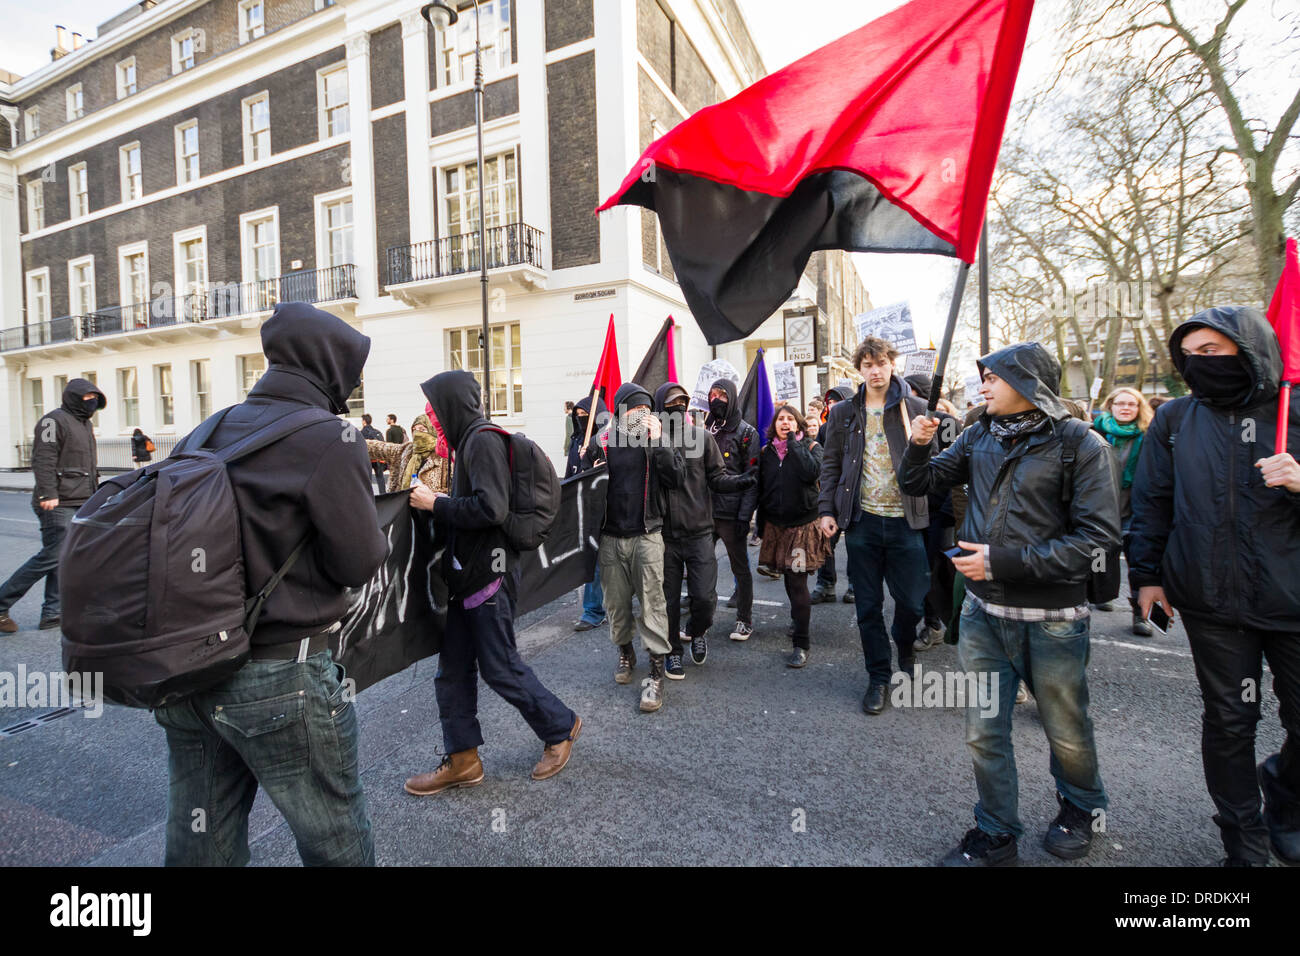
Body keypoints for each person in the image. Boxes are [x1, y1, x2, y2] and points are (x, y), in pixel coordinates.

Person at [152, 302, 388, 866]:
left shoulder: (205, 430)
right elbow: (359, 560)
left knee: (200, 840)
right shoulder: (330, 437)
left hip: (188, 669)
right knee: (334, 834)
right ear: (330, 367)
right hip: (279, 673)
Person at [900, 342, 1120, 867]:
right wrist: (917, 445)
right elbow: (919, 484)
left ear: (1025, 383)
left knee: (1066, 728)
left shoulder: (1081, 445)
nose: (983, 387)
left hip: (1053, 620)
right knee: (983, 731)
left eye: (992, 378)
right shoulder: (977, 435)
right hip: (982, 613)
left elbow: (1098, 542)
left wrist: (1002, 562)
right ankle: (996, 832)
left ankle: (1080, 808)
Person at [1129, 306, 1300, 867]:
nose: (1198, 364)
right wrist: (1146, 577)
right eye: (1190, 356)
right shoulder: (1176, 419)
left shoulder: (1292, 409)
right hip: (1209, 601)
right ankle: (1243, 836)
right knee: (1230, 721)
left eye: (1212, 352)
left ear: (1248, 351)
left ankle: (1286, 798)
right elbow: (1150, 504)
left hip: (1292, 599)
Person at [406, 370, 581, 794]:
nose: (431, 416)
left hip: (489, 578)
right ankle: (463, 759)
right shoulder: (470, 441)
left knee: (500, 668)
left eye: (434, 407)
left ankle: (560, 727)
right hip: (472, 577)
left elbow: (492, 509)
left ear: (452, 405)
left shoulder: (481, 440)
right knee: (452, 672)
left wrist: (436, 503)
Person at [818, 338, 936, 716]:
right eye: (867, 364)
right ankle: (879, 677)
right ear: (860, 369)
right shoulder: (843, 414)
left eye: (881, 362)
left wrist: (923, 441)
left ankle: (904, 645)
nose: (875, 370)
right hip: (863, 522)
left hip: (906, 522)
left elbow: (935, 468)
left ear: (891, 364)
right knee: (867, 606)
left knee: (913, 601)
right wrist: (826, 510)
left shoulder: (916, 409)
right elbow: (831, 465)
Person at [582, 382, 682, 712]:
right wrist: (588, 463)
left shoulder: (657, 439)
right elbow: (583, 480)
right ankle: (625, 652)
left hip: (647, 534)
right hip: (611, 537)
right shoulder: (604, 441)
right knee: (617, 605)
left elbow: (676, 477)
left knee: (653, 603)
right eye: (633, 410)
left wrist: (659, 442)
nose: (639, 416)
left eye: (645, 410)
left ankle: (655, 674)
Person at [655, 382, 755, 678]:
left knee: (704, 598)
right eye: (671, 402)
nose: (678, 406)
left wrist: (740, 481)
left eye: (682, 401)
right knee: (669, 601)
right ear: (661, 406)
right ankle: (673, 650)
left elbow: (717, 477)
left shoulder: (702, 438)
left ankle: (698, 632)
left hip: (699, 533)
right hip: (664, 537)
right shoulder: (650, 441)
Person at [0, 378, 106, 634]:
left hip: (80, 499)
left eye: (95, 397)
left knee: (63, 556)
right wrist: (47, 493)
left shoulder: (84, 423)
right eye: (86, 397)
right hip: (56, 501)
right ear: (72, 397)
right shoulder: (52, 421)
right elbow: (43, 458)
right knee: (54, 554)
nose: (91, 401)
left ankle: (52, 613)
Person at [757, 405, 831, 668]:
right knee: (788, 581)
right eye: (780, 419)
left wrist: (794, 444)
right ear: (774, 424)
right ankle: (797, 618)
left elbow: (812, 473)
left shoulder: (811, 448)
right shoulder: (766, 452)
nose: (785, 422)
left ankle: (801, 643)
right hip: (777, 528)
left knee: (798, 584)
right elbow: (763, 488)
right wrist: (760, 525)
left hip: (801, 529)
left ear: (798, 424)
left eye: (790, 419)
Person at [1092, 387, 1154, 634]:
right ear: (1111, 406)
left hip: (1135, 508)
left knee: (1139, 562)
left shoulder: (1149, 434)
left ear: (1139, 409)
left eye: (1132, 404)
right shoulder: (1094, 432)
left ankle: (1141, 614)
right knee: (1099, 556)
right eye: (1120, 403)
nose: (1126, 408)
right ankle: (1100, 593)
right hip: (1100, 507)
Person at [904, 373, 959, 652]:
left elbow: (953, 462)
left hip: (939, 511)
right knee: (917, 569)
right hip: (912, 508)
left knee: (938, 568)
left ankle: (936, 622)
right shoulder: (905, 421)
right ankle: (930, 619)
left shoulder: (947, 422)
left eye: (911, 392)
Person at [705, 378, 760, 642]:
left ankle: (744, 619)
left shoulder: (747, 432)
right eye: (713, 394)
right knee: (702, 566)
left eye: (722, 395)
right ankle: (701, 618)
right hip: (704, 512)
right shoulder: (706, 429)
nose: (716, 399)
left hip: (732, 513)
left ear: (733, 397)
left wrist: (744, 516)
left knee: (740, 569)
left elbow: (753, 478)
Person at [811, 384, 858, 603]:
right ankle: (825, 584)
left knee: (855, 544)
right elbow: (824, 462)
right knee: (826, 543)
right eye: (829, 403)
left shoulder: (860, 425)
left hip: (854, 495)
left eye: (837, 401)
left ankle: (854, 585)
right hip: (832, 494)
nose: (832, 406)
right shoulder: (824, 428)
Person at [566, 393, 608, 632]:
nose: (582, 420)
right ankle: (593, 610)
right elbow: (571, 474)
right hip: (584, 509)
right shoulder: (576, 441)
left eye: (587, 416)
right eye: (578, 416)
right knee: (591, 561)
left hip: (609, 509)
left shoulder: (609, 439)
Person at [365, 412, 452, 494]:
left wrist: (429, 495)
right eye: (414, 430)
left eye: (422, 429)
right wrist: (356, 441)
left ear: (432, 431)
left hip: (427, 508)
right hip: (402, 507)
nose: (417, 433)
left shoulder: (443, 458)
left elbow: (451, 491)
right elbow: (378, 448)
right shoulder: (406, 450)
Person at [360, 413, 386, 491]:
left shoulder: (361, 433)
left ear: (364, 421)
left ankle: (368, 496)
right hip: (378, 459)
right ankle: (383, 494)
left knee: (367, 479)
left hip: (368, 459)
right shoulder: (377, 432)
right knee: (380, 478)